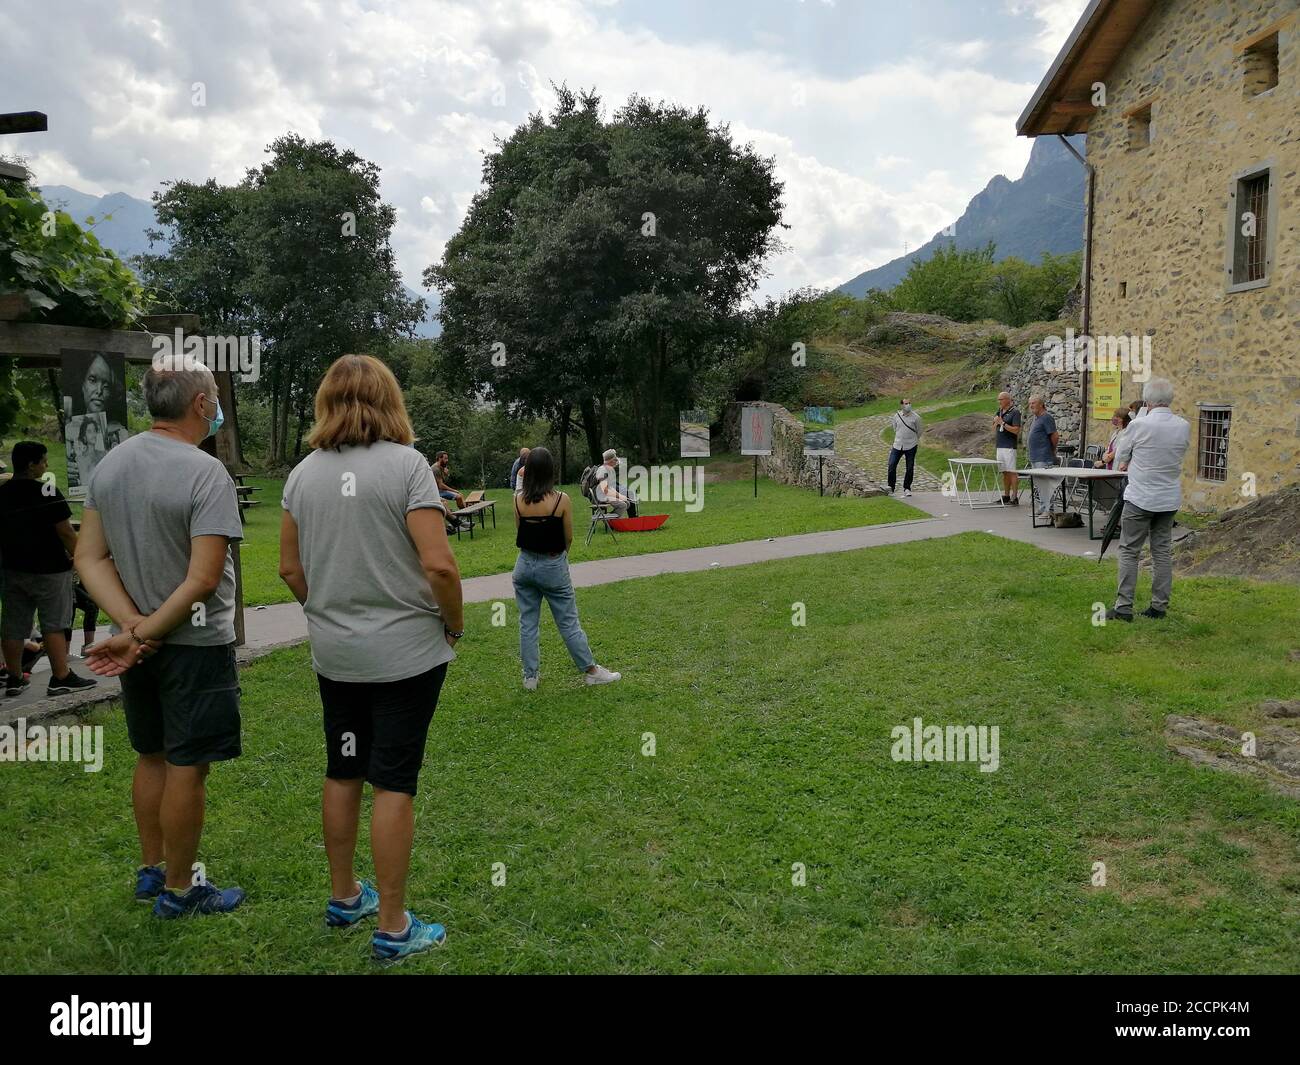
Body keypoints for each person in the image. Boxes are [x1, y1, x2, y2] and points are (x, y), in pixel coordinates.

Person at [279, 354, 464, 961]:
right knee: (394, 782)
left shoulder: (302, 475)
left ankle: (344, 895)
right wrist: (454, 623)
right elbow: (438, 563)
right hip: (405, 653)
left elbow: (289, 567)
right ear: (390, 399)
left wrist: (328, 609)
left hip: (337, 656)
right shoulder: (408, 465)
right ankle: (392, 924)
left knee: (343, 767)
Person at [75, 357, 246, 918]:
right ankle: (180, 889)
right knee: (187, 765)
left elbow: (90, 558)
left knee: (151, 755)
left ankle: (153, 870)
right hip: (193, 647)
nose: (217, 406)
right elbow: (202, 577)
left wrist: (130, 628)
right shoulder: (205, 472)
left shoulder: (110, 467)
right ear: (201, 404)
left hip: (140, 648)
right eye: (215, 398)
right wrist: (142, 631)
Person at [512, 447, 620, 691]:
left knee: (527, 624)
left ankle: (530, 677)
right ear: (551, 470)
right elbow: (568, 538)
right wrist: (557, 560)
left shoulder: (517, 499)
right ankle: (591, 671)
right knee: (568, 622)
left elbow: (521, 532)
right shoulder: (561, 500)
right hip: (553, 564)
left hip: (524, 565)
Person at [0, 441, 97, 697]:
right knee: (54, 624)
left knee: (13, 626)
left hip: (13, 570)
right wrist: (82, 557)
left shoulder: (2, 493)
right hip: (50, 570)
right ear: (31, 465)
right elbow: (66, 532)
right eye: (43, 461)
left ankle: (14, 678)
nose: (46, 465)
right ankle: (61, 676)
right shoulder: (47, 492)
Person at [1108, 377, 1191, 622]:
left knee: (1129, 551)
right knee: (1162, 551)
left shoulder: (1139, 425)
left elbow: (1123, 453)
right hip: (1168, 497)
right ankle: (1159, 605)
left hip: (1141, 496)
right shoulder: (1183, 425)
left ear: (1147, 401)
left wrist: (1141, 415)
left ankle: (1124, 607)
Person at [1025, 394, 1060, 517]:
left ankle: (1048, 510)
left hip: (1043, 456)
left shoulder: (1046, 418)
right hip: (1035, 456)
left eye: (1033, 403)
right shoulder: (1036, 418)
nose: (1031, 406)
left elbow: (1055, 436)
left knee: (1045, 484)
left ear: (1041, 404)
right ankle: (1042, 507)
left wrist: (1052, 449)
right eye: (1030, 404)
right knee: (1039, 484)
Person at [887, 399, 922, 497]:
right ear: (902, 405)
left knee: (910, 467)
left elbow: (919, 431)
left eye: (909, 403)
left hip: (911, 445)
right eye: (906, 403)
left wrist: (913, 440)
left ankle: (907, 488)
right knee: (891, 465)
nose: (908, 405)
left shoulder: (916, 418)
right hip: (897, 445)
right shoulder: (896, 416)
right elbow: (895, 428)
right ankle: (891, 487)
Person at [993, 392, 1022, 505]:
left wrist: (1003, 423)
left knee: (1012, 471)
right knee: (1004, 472)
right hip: (1000, 445)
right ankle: (1006, 495)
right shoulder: (999, 411)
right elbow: (994, 427)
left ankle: (1014, 497)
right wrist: (996, 423)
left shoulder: (1015, 412)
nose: (999, 401)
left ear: (1007, 400)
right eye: (998, 399)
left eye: (1001, 399)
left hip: (1009, 446)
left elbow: (1016, 430)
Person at [594, 448, 632, 518]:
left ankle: (610, 518)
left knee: (627, 503)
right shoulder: (603, 470)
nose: (616, 462)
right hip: (600, 496)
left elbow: (610, 488)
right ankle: (610, 521)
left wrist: (620, 495)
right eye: (615, 460)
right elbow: (605, 490)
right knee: (623, 505)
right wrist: (620, 496)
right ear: (610, 461)